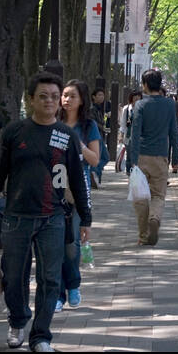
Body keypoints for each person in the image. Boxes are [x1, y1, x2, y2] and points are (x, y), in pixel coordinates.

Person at [0, 70, 91, 352]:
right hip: (16, 217)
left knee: (50, 279)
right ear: (30, 100)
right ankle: (17, 320)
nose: (50, 101)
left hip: (53, 217)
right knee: (13, 276)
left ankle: (41, 336)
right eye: (43, 96)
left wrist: (86, 216)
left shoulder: (66, 135)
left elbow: (77, 178)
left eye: (55, 96)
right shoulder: (14, 132)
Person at [55, 79, 100, 312]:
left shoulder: (88, 126)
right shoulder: (53, 122)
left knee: (71, 243)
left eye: (72, 95)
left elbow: (95, 160)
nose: (66, 99)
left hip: (77, 190)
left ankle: (73, 285)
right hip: (52, 189)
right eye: (64, 95)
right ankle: (58, 294)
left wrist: (77, 145)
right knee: (54, 244)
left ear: (82, 99)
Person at [130, 70, 178, 246]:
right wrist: (176, 158)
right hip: (161, 157)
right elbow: (174, 132)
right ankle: (155, 217)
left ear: (144, 84)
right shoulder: (169, 104)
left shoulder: (140, 105)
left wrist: (131, 160)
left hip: (142, 156)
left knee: (140, 197)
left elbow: (135, 134)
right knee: (158, 195)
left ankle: (143, 235)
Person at [89, 87, 113, 185]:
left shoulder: (99, 108)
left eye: (102, 95)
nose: (101, 97)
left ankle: (95, 175)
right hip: (95, 136)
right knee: (103, 157)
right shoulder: (92, 109)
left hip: (100, 135)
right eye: (99, 95)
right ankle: (94, 173)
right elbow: (92, 122)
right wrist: (102, 127)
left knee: (104, 157)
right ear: (93, 97)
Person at [117, 90, 141, 171]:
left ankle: (137, 174)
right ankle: (129, 173)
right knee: (129, 157)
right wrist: (121, 135)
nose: (137, 99)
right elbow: (123, 124)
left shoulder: (143, 108)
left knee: (139, 157)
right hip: (129, 136)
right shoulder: (127, 109)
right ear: (132, 98)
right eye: (135, 97)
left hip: (140, 137)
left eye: (139, 97)